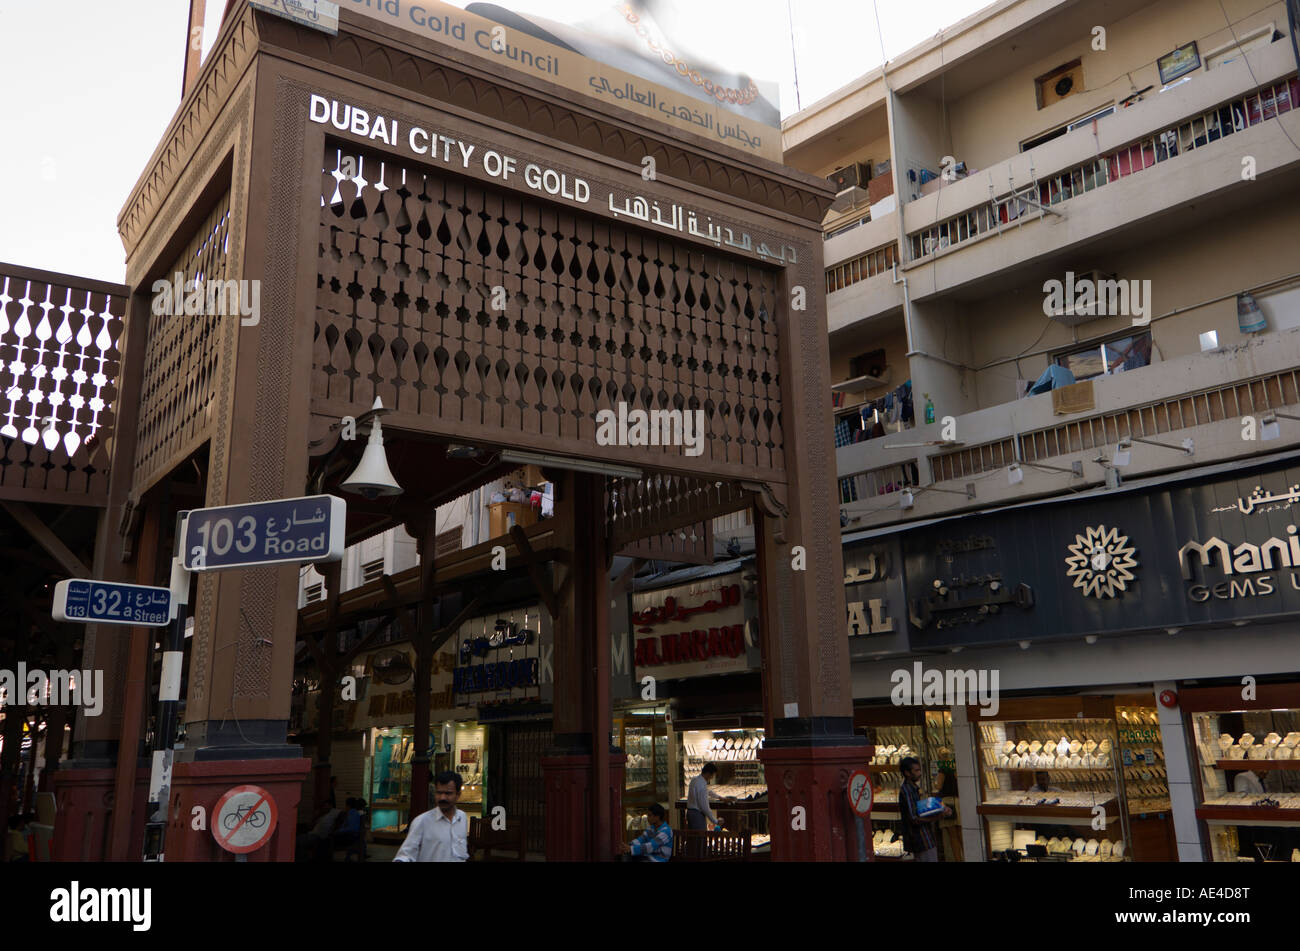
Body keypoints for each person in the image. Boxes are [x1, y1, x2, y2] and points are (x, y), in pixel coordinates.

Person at [393, 771, 469, 862]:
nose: (442, 798)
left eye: (448, 793)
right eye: (439, 793)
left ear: (458, 795)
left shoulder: (462, 818)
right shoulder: (422, 821)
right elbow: (405, 855)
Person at [898, 756, 951, 862]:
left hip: (925, 837)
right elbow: (914, 818)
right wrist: (937, 816)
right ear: (907, 773)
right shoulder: (907, 790)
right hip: (920, 839)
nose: (919, 773)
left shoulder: (913, 788)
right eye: (916, 770)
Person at [686, 763, 720, 830]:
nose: (712, 778)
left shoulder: (694, 780)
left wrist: (720, 797)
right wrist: (715, 821)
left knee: (692, 837)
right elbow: (705, 807)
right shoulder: (701, 785)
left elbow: (708, 791)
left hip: (690, 813)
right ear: (708, 773)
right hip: (697, 816)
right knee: (699, 838)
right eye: (712, 775)